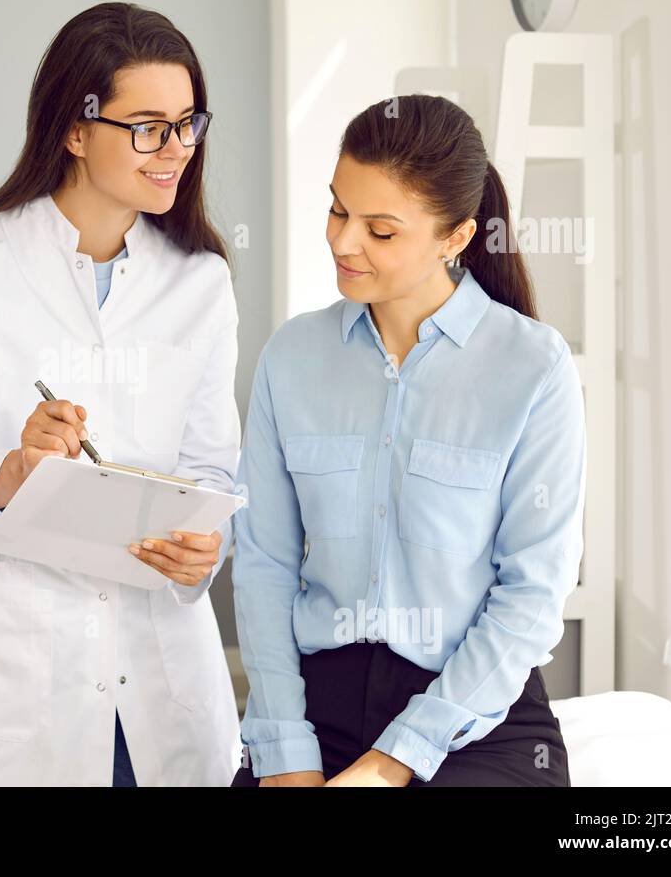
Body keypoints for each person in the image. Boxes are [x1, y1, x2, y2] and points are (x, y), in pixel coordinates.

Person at [0, 2, 242, 786]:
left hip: (157, 689)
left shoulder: (201, 283)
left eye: (186, 124)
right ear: (76, 129)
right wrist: (8, 473)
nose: (174, 150)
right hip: (9, 696)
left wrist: (202, 548)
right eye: (147, 127)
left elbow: (211, 474)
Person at [231, 94, 585, 787]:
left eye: (380, 230)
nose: (342, 242)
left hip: (474, 714)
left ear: (455, 238)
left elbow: (532, 595)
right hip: (316, 708)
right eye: (338, 209)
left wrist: (396, 761)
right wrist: (284, 750)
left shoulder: (534, 368)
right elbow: (265, 564)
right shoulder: (292, 358)